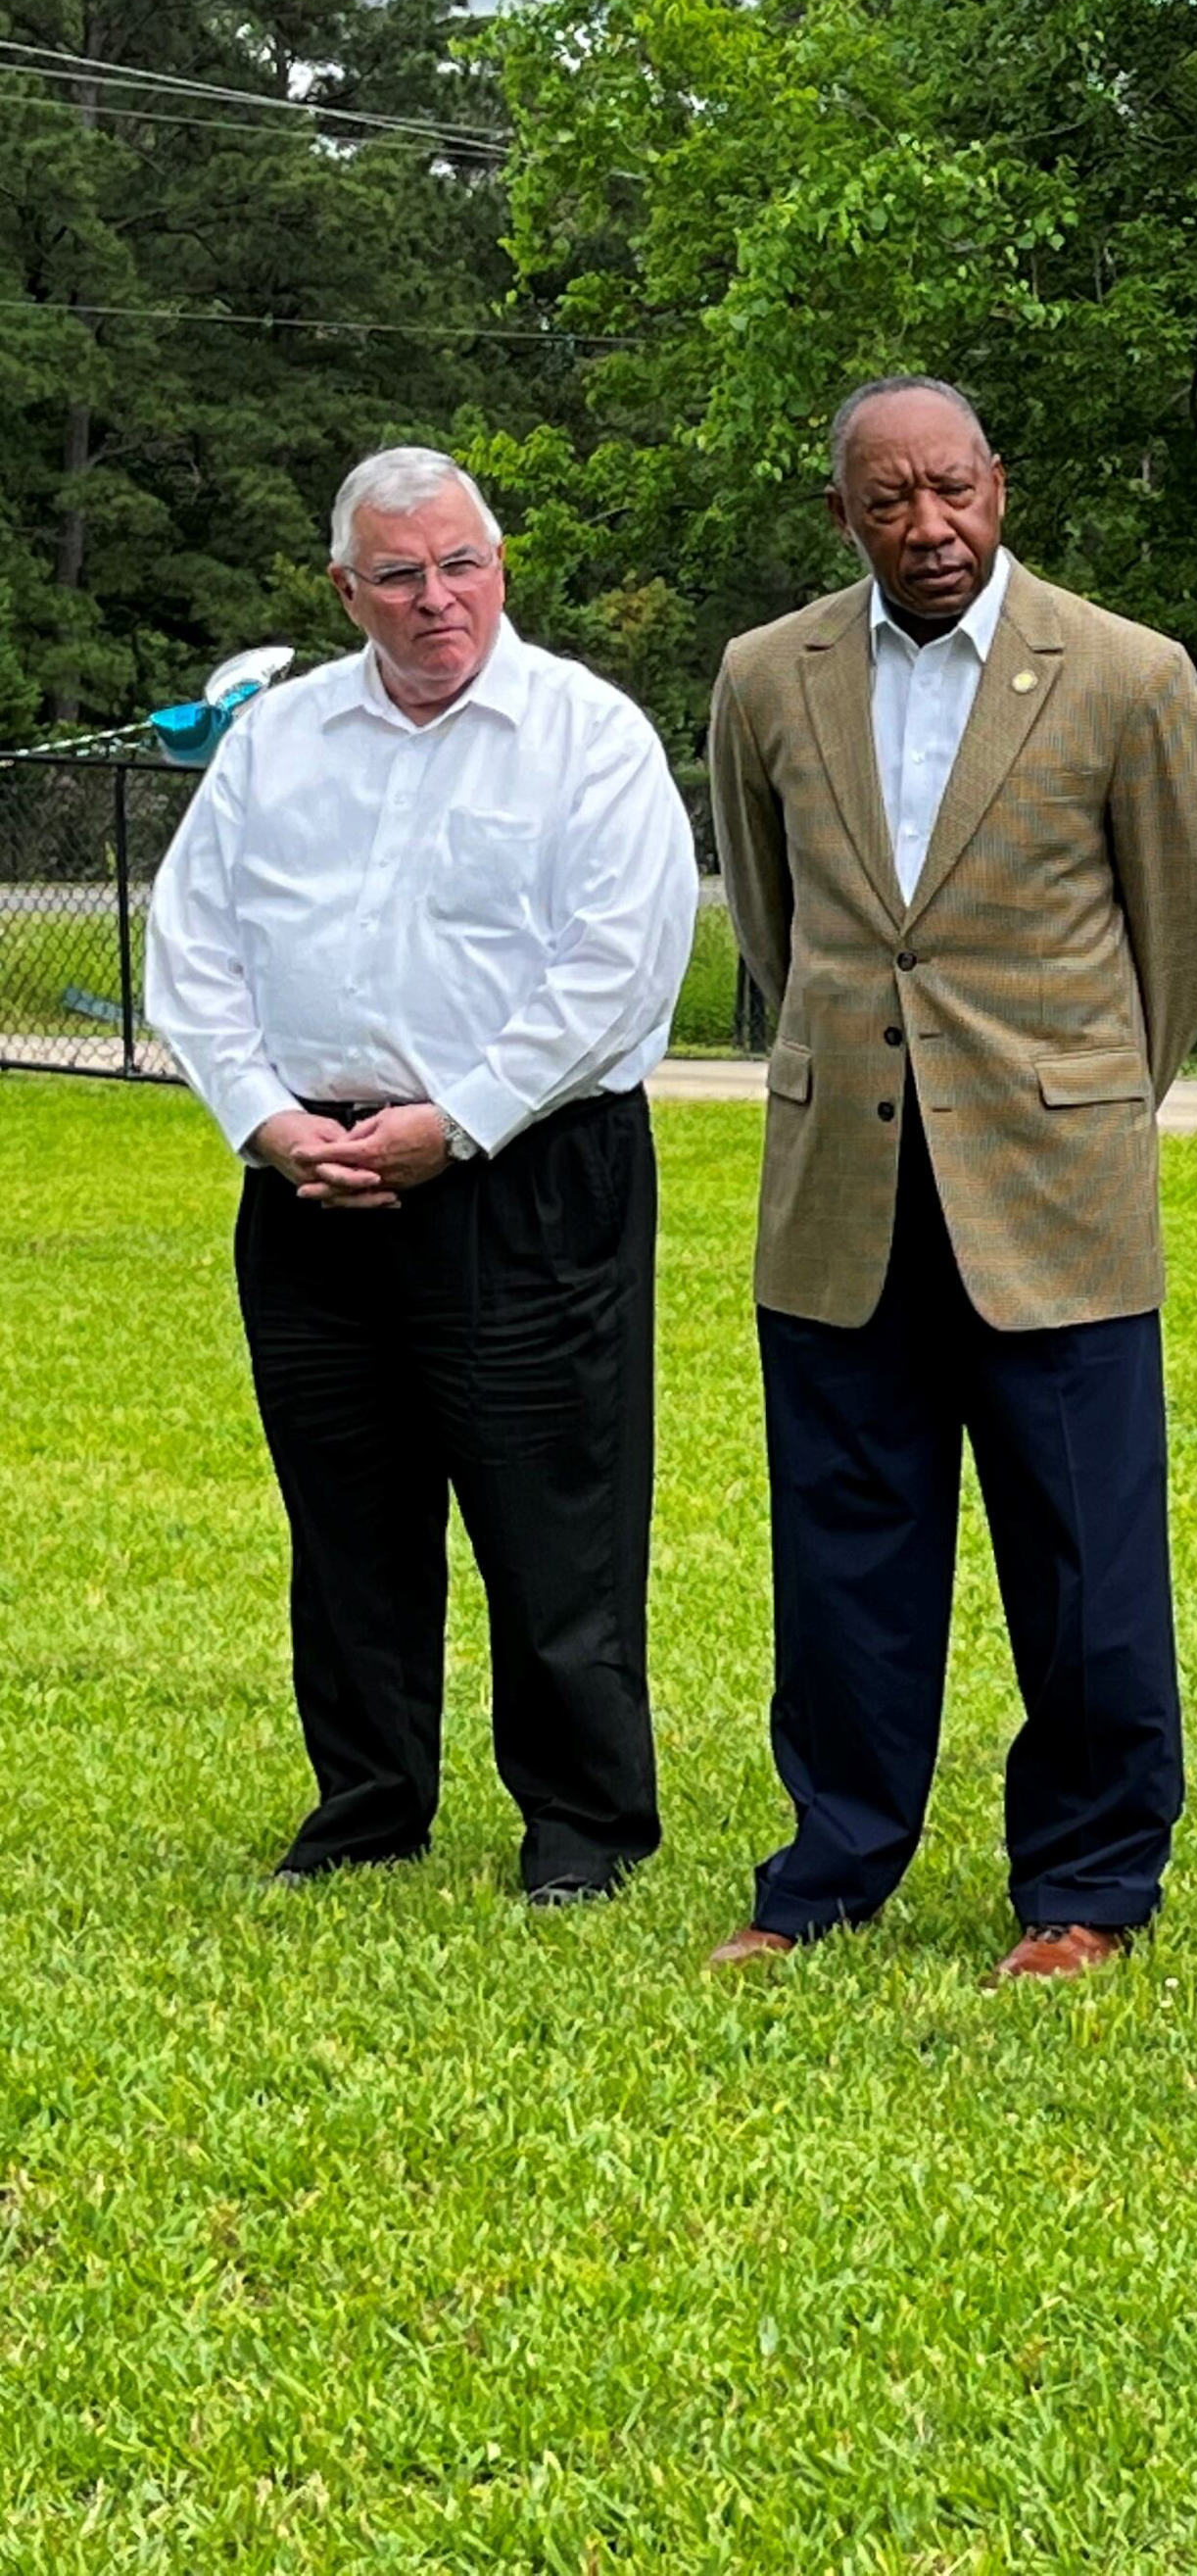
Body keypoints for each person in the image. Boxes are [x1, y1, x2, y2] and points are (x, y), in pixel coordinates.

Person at [702, 377, 1197, 1981]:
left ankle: (1085, 1885)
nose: (928, 528)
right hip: (838, 1194)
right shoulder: (762, 678)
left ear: (1001, 485)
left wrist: (1080, 1101)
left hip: (1054, 1191)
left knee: (1084, 1559)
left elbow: (1188, 928)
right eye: (890, 502)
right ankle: (830, 1867)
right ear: (840, 515)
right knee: (843, 1551)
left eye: (955, 492)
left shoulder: (1130, 676)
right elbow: (774, 919)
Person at [142, 447, 697, 1902]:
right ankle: (369, 1800)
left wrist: (455, 1119)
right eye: (397, 574)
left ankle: (582, 1827)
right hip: (311, 1179)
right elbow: (192, 946)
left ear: (498, 565)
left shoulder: (588, 734)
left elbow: (619, 966)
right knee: (345, 1514)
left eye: (459, 564)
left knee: (554, 1515)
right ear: (345, 589)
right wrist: (265, 1117)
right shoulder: (278, 742)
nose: (434, 598)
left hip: (528, 1174)